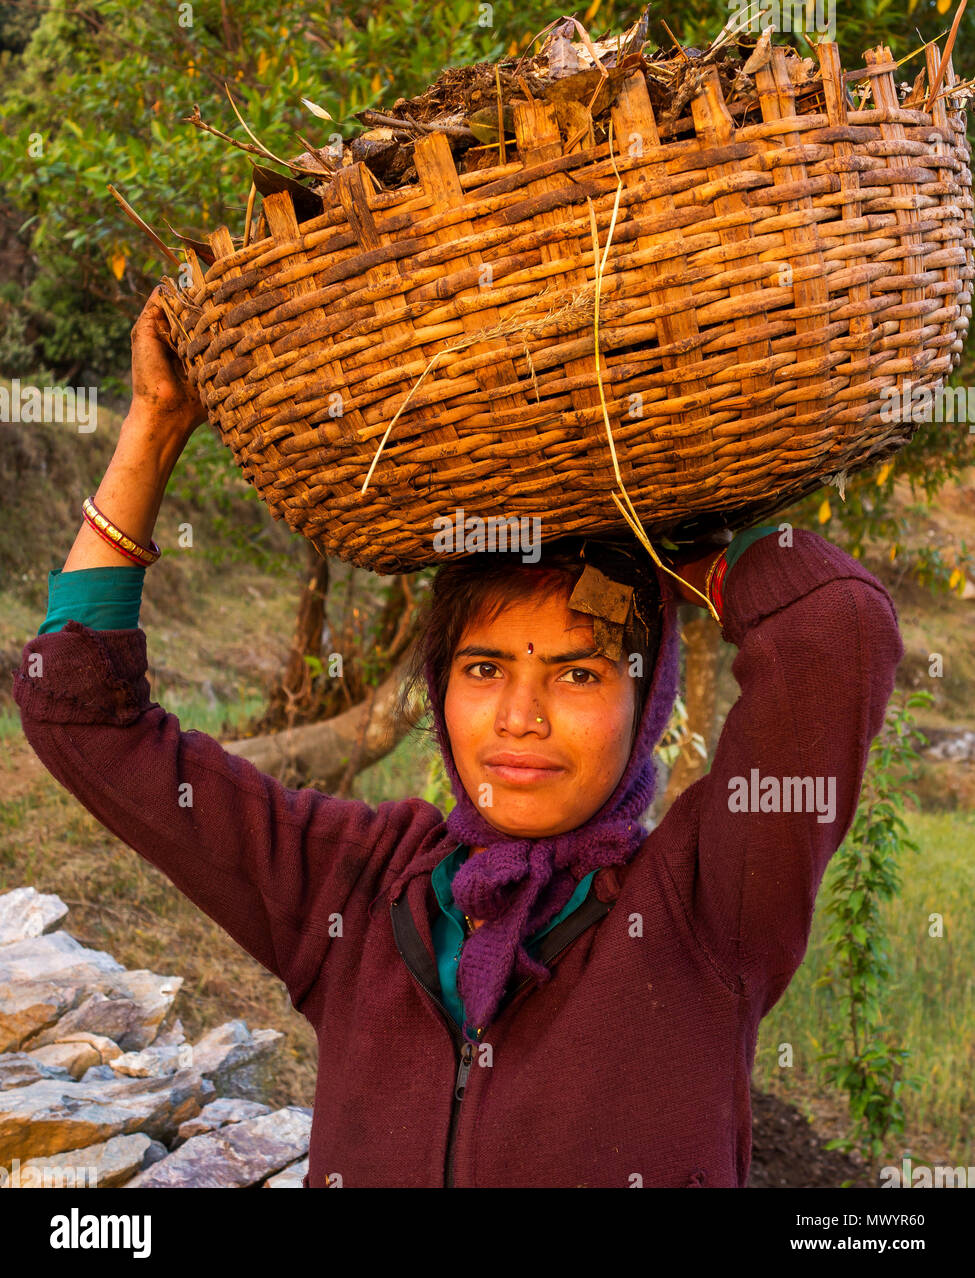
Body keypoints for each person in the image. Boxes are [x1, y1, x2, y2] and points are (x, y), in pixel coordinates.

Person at [12, 287, 904, 1188]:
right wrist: (155, 428)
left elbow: (833, 635)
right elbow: (78, 712)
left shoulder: (708, 910)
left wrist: (673, 534)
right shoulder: (355, 891)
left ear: (648, 704)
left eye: (578, 672)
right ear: (439, 693)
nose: (520, 716)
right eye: (483, 670)